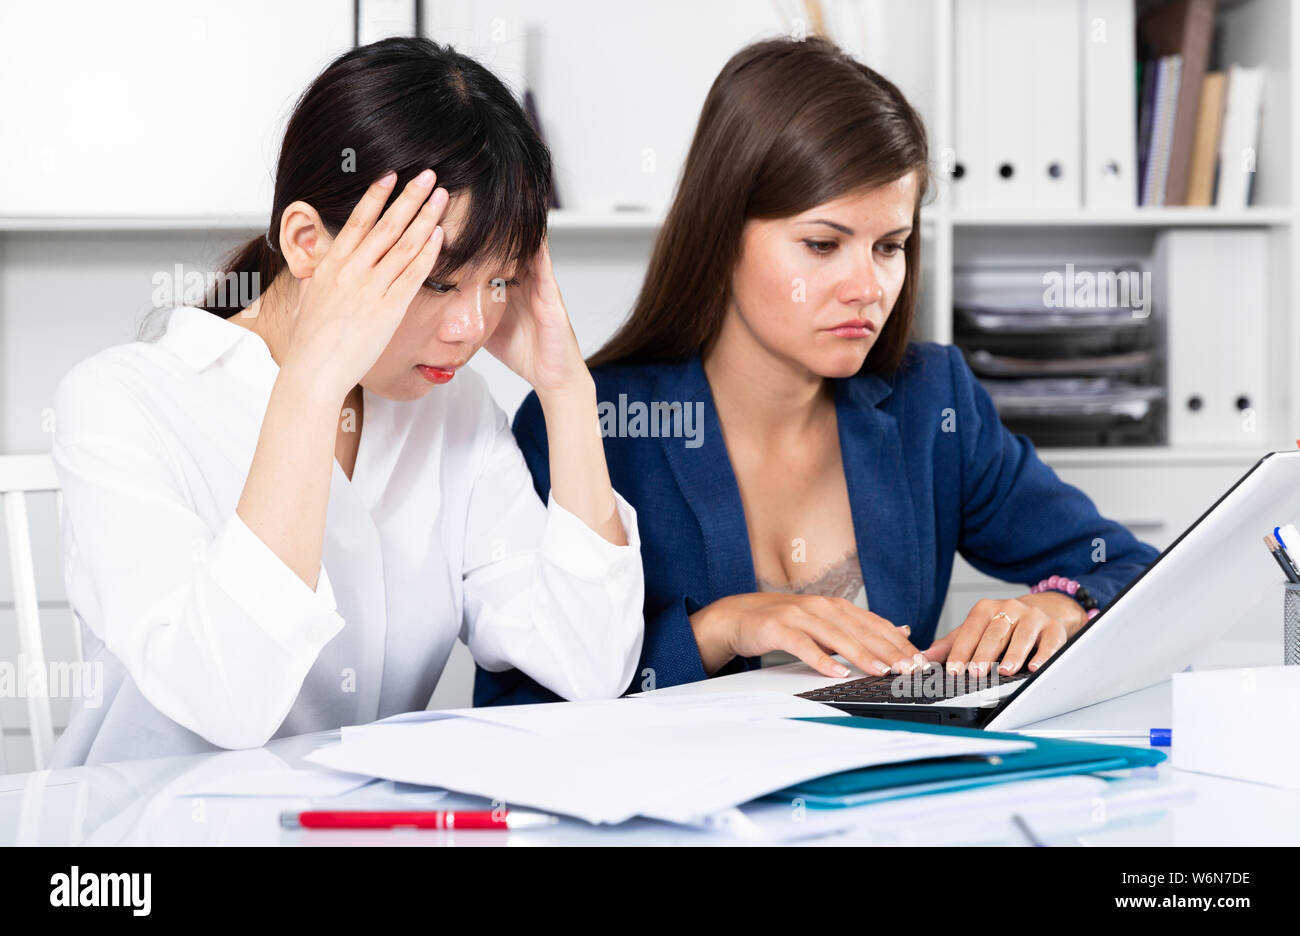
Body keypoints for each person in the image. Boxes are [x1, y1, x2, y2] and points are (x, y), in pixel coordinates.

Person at [475, 36, 1159, 707]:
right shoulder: (590, 425)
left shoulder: (931, 402)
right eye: (823, 244)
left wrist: (1057, 608)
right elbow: (518, 706)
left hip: (872, 806)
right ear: (721, 234)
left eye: (889, 246)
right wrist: (718, 631)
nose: (869, 287)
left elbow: (1128, 567)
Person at [49, 38, 643, 766]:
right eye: (435, 281)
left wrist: (565, 388)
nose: (471, 328)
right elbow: (225, 698)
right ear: (307, 243)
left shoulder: (453, 410)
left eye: (500, 281)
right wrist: (312, 382)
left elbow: (591, 663)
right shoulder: (122, 403)